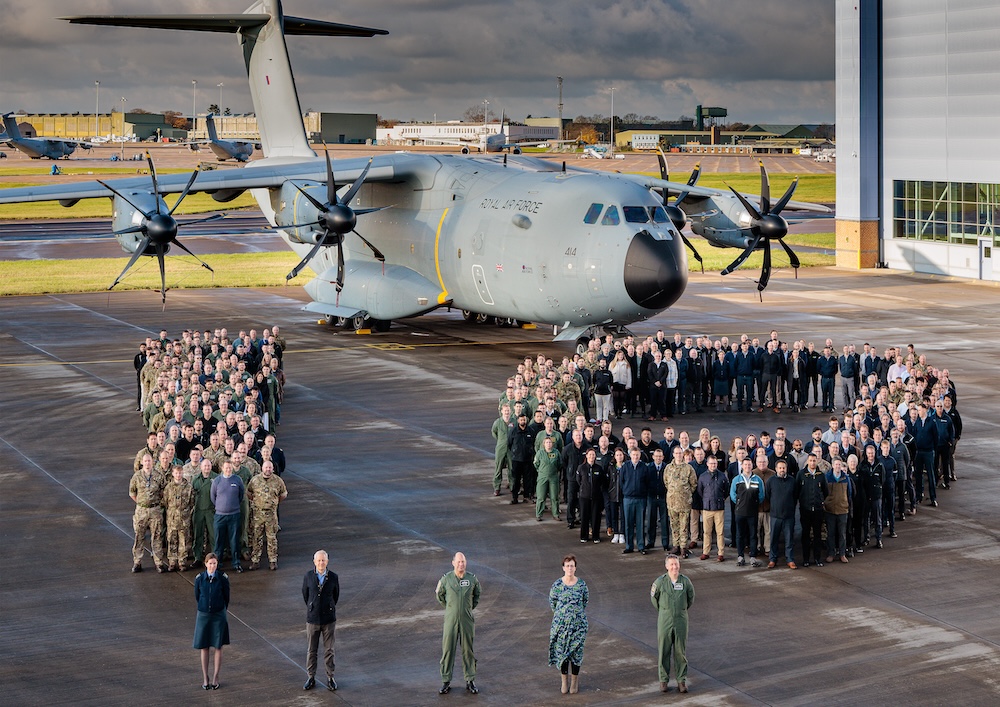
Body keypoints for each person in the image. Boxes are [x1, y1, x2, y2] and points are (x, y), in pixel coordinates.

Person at [436, 552, 481, 695]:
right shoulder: (446, 579)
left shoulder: (472, 579)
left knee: (468, 650)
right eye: (459, 561)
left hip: (467, 620)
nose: (461, 564)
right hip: (451, 620)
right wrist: (451, 608)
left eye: (463, 561)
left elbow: (477, 595)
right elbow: (440, 595)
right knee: (448, 649)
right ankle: (445, 680)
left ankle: (470, 680)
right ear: (453, 563)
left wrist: (467, 609)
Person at [650, 555, 695, 694]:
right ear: (666, 566)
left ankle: (681, 681)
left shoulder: (685, 581)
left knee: (680, 651)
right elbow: (654, 598)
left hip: (681, 619)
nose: (674, 567)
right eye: (671, 565)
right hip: (665, 619)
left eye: (676, 564)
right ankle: (663, 680)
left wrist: (680, 610)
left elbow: (691, 598)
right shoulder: (660, 582)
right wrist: (664, 611)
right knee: (664, 650)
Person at [549, 555, 589, 695]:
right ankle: (564, 681)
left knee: (576, 655)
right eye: (567, 566)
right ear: (563, 568)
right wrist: (563, 616)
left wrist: (575, 615)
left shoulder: (581, 585)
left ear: (575, 568)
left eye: (572, 566)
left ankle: (574, 681)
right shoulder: (557, 585)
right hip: (561, 627)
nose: (570, 568)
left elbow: (585, 601)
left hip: (578, 627)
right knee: (563, 655)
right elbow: (553, 603)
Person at [302, 550, 339, 691]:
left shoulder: (334, 577)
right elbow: (305, 594)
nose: (321, 563)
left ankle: (330, 677)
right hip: (312, 620)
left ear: (327, 562)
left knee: (329, 650)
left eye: (323, 560)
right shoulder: (308, 576)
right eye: (318, 561)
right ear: (314, 562)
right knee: (312, 650)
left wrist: (328, 608)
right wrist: (313, 607)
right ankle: (311, 677)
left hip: (328, 620)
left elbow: (336, 595)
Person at [193, 553, 230, 690]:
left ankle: (215, 676)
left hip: (218, 615)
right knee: (204, 647)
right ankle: (205, 677)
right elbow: (197, 596)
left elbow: (227, 597)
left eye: (214, 563)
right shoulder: (200, 579)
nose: (212, 566)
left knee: (218, 646)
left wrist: (219, 609)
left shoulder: (222, 579)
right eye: (210, 563)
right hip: (204, 615)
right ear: (205, 564)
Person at [129, 453, 167, 573]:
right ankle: (137, 562)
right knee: (139, 536)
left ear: (153, 462)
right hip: (141, 510)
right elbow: (132, 493)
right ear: (141, 463)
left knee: (156, 537)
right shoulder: (136, 476)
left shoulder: (159, 476)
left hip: (155, 510)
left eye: (149, 461)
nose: (147, 463)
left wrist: (153, 503)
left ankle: (159, 562)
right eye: (145, 461)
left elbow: (163, 492)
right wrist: (142, 503)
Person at [246, 460, 288, 570]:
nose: (268, 470)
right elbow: (249, 493)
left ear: (273, 469)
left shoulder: (278, 481)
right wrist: (257, 502)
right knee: (257, 538)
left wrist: (274, 503)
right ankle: (255, 560)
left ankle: (273, 561)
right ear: (262, 468)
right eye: (266, 467)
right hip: (258, 514)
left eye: (270, 468)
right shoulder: (255, 480)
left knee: (272, 538)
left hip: (271, 515)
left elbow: (283, 494)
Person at [211, 461, 246, 573]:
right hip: (220, 516)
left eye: (230, 468)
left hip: (234, 515)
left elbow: (241, 495)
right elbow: (213, 497)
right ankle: (218, 564)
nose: (228, 469)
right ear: (222, 468)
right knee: (219, 541)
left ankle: (236, 563)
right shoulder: (216, 481)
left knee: (234, 541)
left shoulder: (237, 480)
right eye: (226, 468)